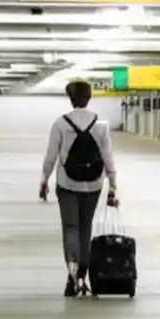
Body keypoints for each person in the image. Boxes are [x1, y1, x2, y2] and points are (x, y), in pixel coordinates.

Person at [40, 80, 118, 297]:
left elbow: (50, 157)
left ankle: (72, 275)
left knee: (70, 229)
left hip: (67, 184)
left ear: (70, 98)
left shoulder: (60, 124)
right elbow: (108, 157)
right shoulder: (100, 125)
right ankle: (83, 276)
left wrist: (44, 180)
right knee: (85, 229)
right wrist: (113, 184)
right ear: (89, 98)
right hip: (94, 184)